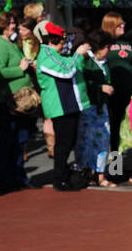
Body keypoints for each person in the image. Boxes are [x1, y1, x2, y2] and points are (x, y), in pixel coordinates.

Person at [36, 21, 91, 190]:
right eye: (62, 42)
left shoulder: (56, 55)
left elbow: (74, 68)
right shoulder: (46, 56)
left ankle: (64, 174)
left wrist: (82, 57)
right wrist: (78, 55)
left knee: (69, 142)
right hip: (59, 106)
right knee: (63, 144)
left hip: (69, 104)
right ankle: (59, 178)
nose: (64, 45)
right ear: (52, 42)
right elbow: (66, 71)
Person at [0, 13, 36, 192]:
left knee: (19, 142)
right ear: (1, 26)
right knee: (8, 142)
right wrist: (20, 69)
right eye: (9, 24)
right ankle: (6, 180)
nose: (13, 26)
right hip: (8, 101)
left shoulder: (11, 43)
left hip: (21, 102)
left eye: (14, 23)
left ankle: (18, 178)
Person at [78, 30, 116, 186]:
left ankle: (101, 175)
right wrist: (100, 88)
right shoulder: (87, 62)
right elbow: (83, 83)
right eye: (108, 47)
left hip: (102, 106)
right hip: (89, 106)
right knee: (86, 141)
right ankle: (87, 173)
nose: (109, 51)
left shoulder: (105, 63)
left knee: (103, 140)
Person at [102, 12, 132, 153]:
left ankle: (129, 162)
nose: (123, 25)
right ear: (111, 25)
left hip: (129, 90)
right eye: (120, 23)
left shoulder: (128, 42)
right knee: (114, 127)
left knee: (128, 126)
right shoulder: (103, 43)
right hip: (112, 92)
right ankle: (114, 167)